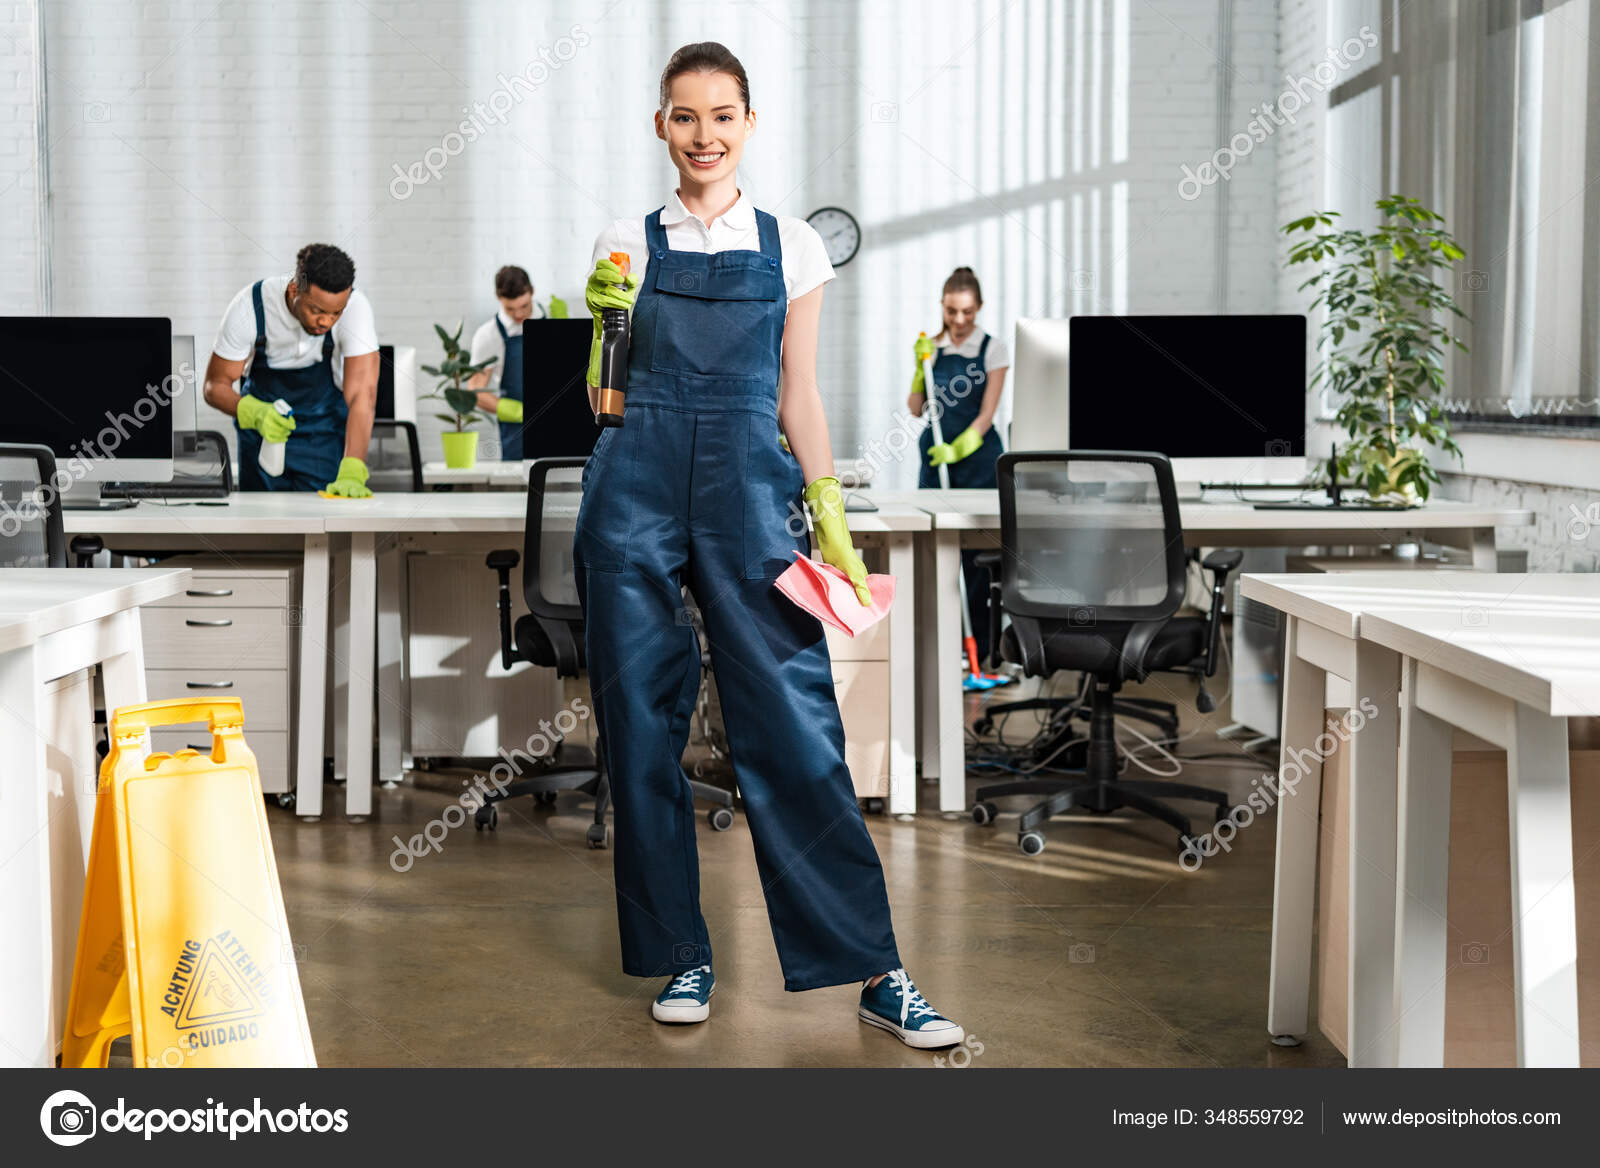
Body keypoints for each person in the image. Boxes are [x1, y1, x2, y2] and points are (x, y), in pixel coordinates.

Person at [574, 41, 963, 1050]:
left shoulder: (792, 243)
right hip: (634, 485)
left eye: (722, 116)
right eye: (684, 116)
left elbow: (797, 389)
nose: (704, 135)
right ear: (660, 125)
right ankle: (681, 952)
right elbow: (598, 402)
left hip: (750, 489)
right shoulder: (627, 235)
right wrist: (602, 325)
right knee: (642, 731)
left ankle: (878, 971)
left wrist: (826, 508)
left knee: (793, 724)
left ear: (748, 124)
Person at [203, 243, 378, 495]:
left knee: (321, 527)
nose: (325, 322)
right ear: (295, 289)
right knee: (262, 528)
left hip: (323, 440)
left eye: (335, 313)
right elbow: (213, 386)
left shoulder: (356, 307)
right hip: (261, 442)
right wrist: (255, 413)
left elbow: (362, 395)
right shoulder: (249, 307)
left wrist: (353, 466)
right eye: (316, 310)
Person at [907, 268, 1009, 666]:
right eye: (952, 311)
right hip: (936, 465)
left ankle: (983, 651)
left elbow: (987, 415)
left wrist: (963, 444)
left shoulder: (993, 349)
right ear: (943, 307)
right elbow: (916, 408)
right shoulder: (930, 347)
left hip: (979, 463)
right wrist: (920, 368)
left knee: (978, 560)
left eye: (967, 312)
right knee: (936, 556)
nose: (960, 320)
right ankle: (942, 651)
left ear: (979, 308)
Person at [468, 264, 540, 460]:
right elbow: (475, 390)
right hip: (517, 430)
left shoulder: (551, 317)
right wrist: (518, 412)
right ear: (499, 298)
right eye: (510, 309)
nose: (518, 315)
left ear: (531, 292)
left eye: (524, 306)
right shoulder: (488, 335)